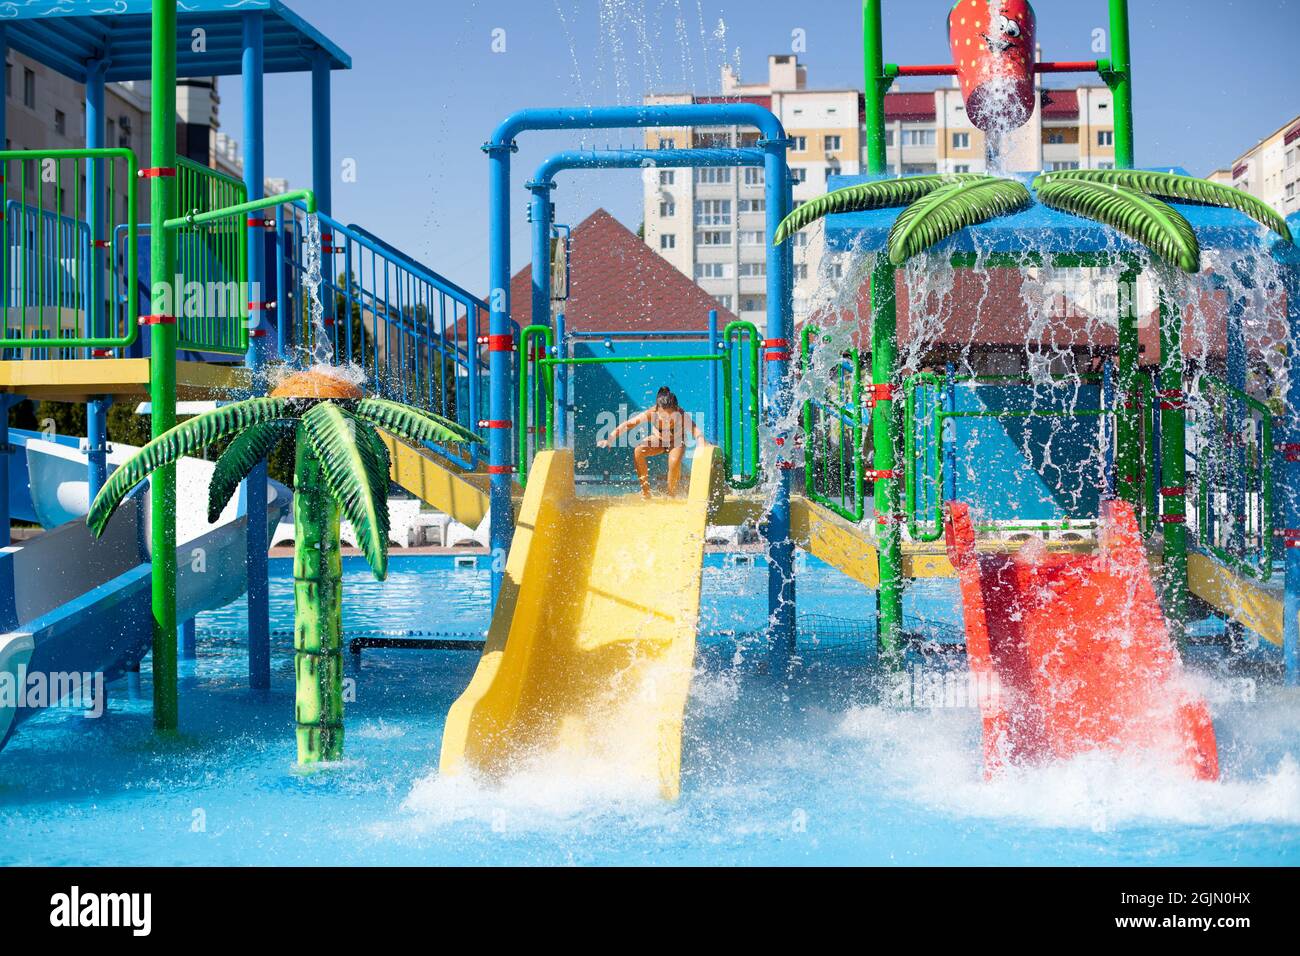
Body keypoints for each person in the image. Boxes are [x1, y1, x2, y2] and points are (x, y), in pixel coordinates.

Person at [597, 387, 705, 499]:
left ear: (676, 410)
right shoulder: (651, 413)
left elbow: (695, 430)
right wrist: (610, 439)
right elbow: (628, 424)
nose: (667, 419)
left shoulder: (681, 414)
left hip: (676, 441)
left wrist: (702, 443)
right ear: (657, 410)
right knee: (638, 451)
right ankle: (645, 492)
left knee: (674, 461)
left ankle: (671, 495)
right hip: (658, 441)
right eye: (663, 416)